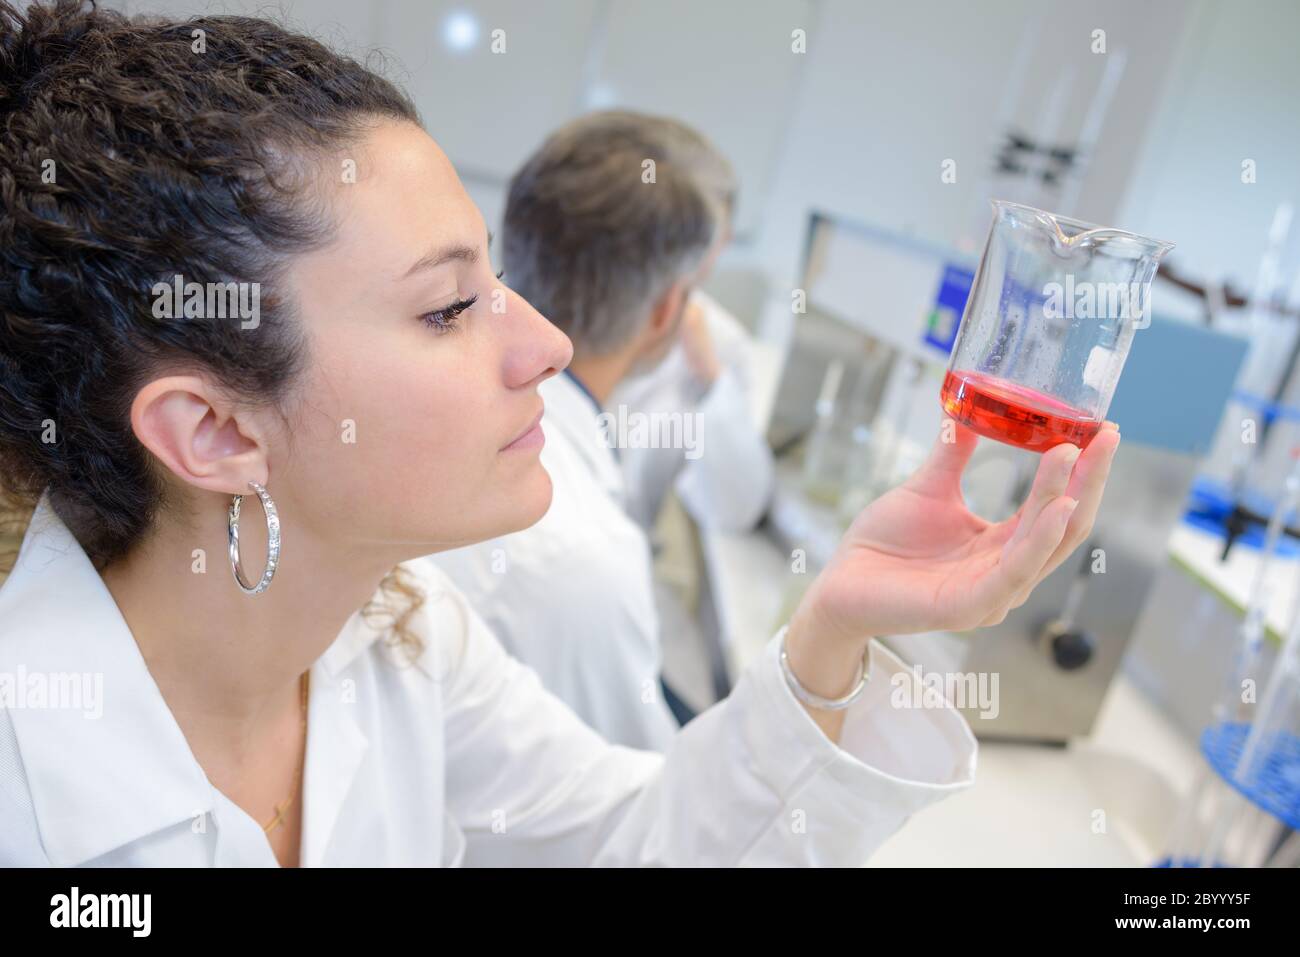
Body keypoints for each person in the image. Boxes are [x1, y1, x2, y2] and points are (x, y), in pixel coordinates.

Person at [0, 0, 1119, 867]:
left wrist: (835, 627)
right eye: (446, 308)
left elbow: (632, 845)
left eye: (495, 276)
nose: (547, 345)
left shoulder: (402, 634)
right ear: (213, 431)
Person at [429, 113, 776, 747]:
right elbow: (638, 813)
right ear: (669, 305)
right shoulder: (582, 561)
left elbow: (734, 505)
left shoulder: (424, 401)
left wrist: (715, 382)